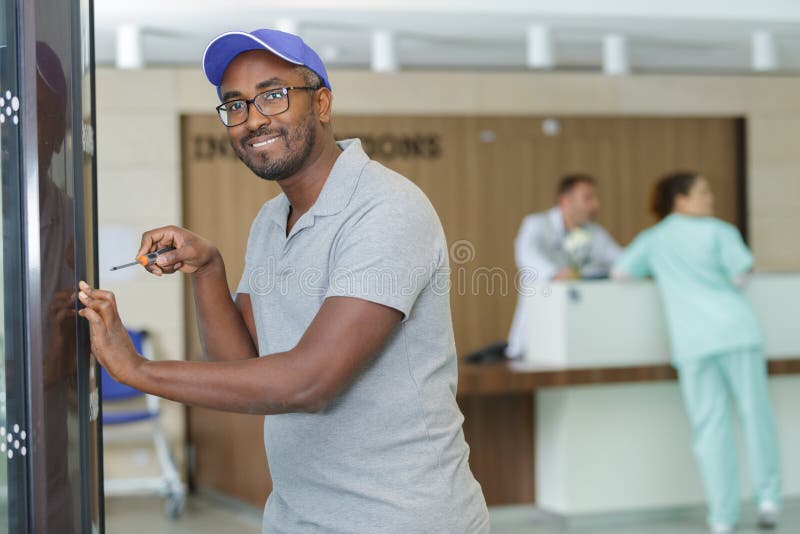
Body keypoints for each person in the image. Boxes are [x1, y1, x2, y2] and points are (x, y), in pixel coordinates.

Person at [78, 29, 489, 533]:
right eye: (235, 105)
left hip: (401, 519)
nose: (253, 119)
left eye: (273, 95)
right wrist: (208, 270)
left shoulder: (386, 209)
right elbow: (242, 368)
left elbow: (309, 381)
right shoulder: (273, 219)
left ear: (321, 103)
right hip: (297, 517)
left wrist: (137, 370)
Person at [612, 171, 781, 534]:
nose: (711, 198)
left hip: (692, 342)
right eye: (703, 192)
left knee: (710, 429)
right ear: (681, 199)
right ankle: (768, 499)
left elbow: (621, 273)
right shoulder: (721, 232)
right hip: (736, 333)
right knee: (755, 417)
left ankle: (722, 517)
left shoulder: (653, 239)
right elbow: (741, 273)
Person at [505, 174, 621, 358]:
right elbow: (528, 255)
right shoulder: (537, 225)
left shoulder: (595, 234)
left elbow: (621, 261)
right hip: (536, 336)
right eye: (588, 198)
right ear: (565, 201)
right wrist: (557, 274)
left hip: (576, 335)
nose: (595, 205)